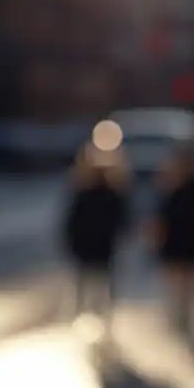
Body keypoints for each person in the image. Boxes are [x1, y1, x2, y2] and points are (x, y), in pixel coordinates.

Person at [63, 143, 131, 340]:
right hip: (96, 248)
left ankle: (95, 321)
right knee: (96, 287)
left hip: (96, 248)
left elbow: (121, 221)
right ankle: (95, 321)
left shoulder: (101, 195)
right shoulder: (89, 194)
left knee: (94, 287)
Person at [150, 146, 194, 338]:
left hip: (192, 242)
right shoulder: (168, 187)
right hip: (173, 242)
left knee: (191, 283)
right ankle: (176, 317)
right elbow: (160, 216)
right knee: (175, 283)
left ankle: (189, 318)